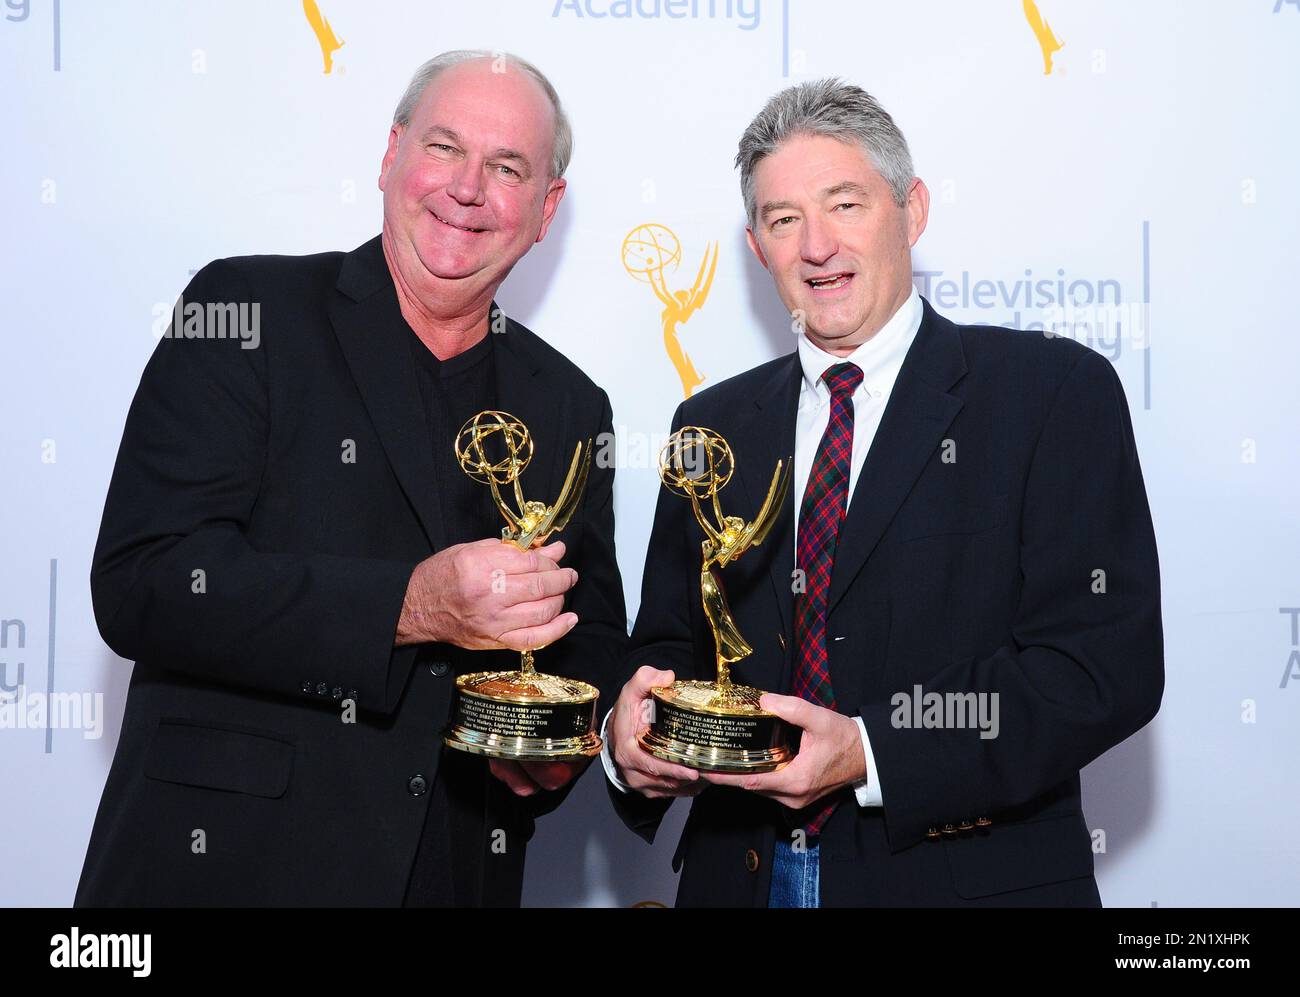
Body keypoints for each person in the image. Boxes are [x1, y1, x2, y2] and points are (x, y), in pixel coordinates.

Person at [75, 50, 625, 907]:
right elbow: (144, 582)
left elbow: (586, 637)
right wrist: (411, 604)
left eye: (507, 167)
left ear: (546, 208)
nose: (468, 188)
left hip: (453, 877)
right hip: (226, 874)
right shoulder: (247, 314)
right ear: (391, 156)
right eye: (444, 148)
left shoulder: (570, 405)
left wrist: (556, 746)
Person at [601, 78, 1163, 907]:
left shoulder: (1048, 393)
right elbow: (673, 649)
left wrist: (872, 749)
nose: (817, 246)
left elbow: (1097, 667)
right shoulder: (710, 423)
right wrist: (629, 743)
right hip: (739, 880)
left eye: (845, 204)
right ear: (758, 247)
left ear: (913, 210)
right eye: (784, 219)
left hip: (960, 882)